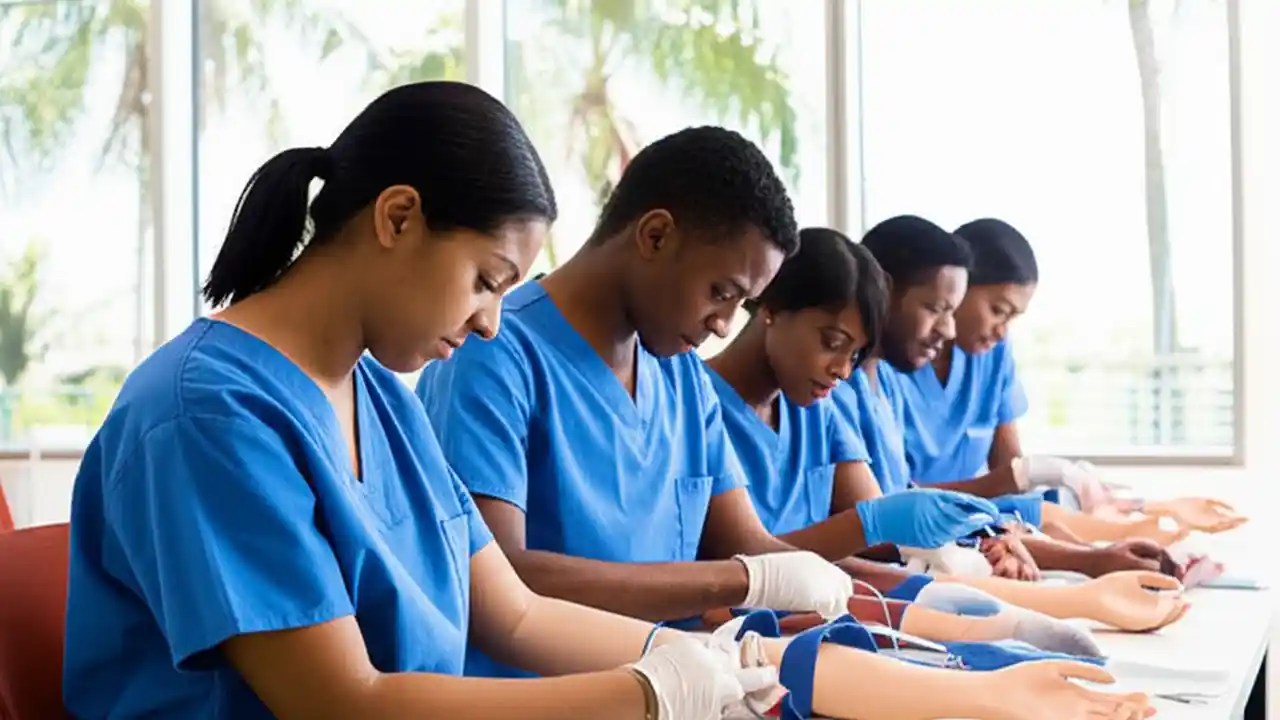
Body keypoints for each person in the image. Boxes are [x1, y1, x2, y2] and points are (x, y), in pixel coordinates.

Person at [415, 128, 1049, 675]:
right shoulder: (494, 353)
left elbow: (742, 542)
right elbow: (504, 582)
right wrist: (747, 581)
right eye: (721, 292)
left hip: (684, 680)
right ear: (656, 235)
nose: (723, 325)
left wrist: (922, 603)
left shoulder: (680, 378)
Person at [705, 225, 1186, 636]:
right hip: (750, 627)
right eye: (833, 343)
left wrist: (982, 545)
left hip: (825, 607)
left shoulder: (816, 403)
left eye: (854, 355)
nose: (842, 370)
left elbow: (871, 531)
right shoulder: (706, 403)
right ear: (770, 307)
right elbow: (764, 560)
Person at [828, 215, 1191, 604]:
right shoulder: (839, 390)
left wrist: (997, 535)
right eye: (937, 308)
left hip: (917, 561)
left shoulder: (880, 383)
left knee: (1025, 520)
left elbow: (903, 506)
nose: (948, 330)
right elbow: (884, 528)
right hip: (875, 580)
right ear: (883, 288)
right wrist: (989, 543)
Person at [901, 217, 1246, 540]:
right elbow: (895, 501)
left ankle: (1151, 517)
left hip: (971, 515)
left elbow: (1010, 478)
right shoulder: (893, 366)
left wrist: (1133, 505)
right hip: (919, 525)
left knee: (1050, 505)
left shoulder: (993, 355)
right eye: (997, 310)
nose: (1002, 330)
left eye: (1013, 317)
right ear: (957, 288)